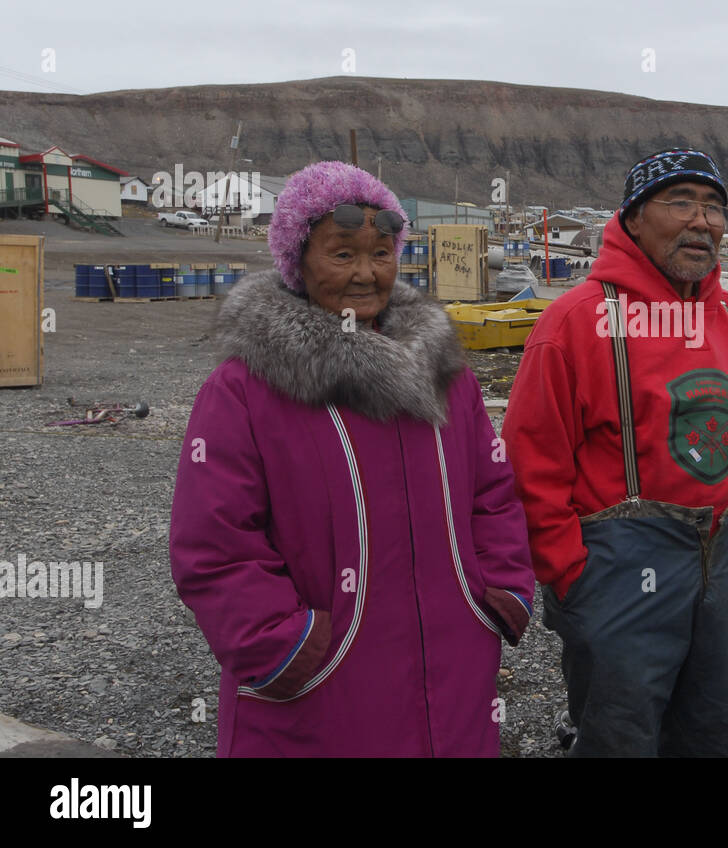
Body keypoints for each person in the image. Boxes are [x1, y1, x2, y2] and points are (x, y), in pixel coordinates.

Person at [169, 160, 534, 757]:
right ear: (296, 261)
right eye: (342, 254)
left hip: (455, 675)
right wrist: (282, 645)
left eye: (382, 252)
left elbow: (492, 494)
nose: (367, 273)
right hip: (320, 688)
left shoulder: (446, 376)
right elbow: (214, 545)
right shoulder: (244, 390)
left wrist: (497, 593)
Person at [503, 148, 728, 756]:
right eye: (680, 203)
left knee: (715, 728)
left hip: (723, 568)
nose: (701, 222)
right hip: (618, 579)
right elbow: (530, 464)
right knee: (618, 736)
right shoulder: (575, 322)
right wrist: (573, 579)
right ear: (631, 219)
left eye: (714, 209)